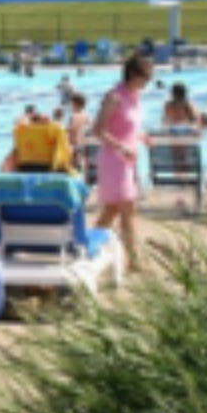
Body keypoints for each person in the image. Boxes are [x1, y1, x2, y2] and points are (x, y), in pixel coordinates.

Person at [92, 53, 154, 272]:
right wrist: (121, 147)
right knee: (128, 207)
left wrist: (141, 136)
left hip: (126, 160)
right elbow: (98, 130)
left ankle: (86, 246)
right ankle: (134, 260)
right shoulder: (115, 97)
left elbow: (127, 127)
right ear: (134, 75)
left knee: (111, 211)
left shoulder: (133, 96)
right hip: (113, 159)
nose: (147, 83)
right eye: (145, 78)